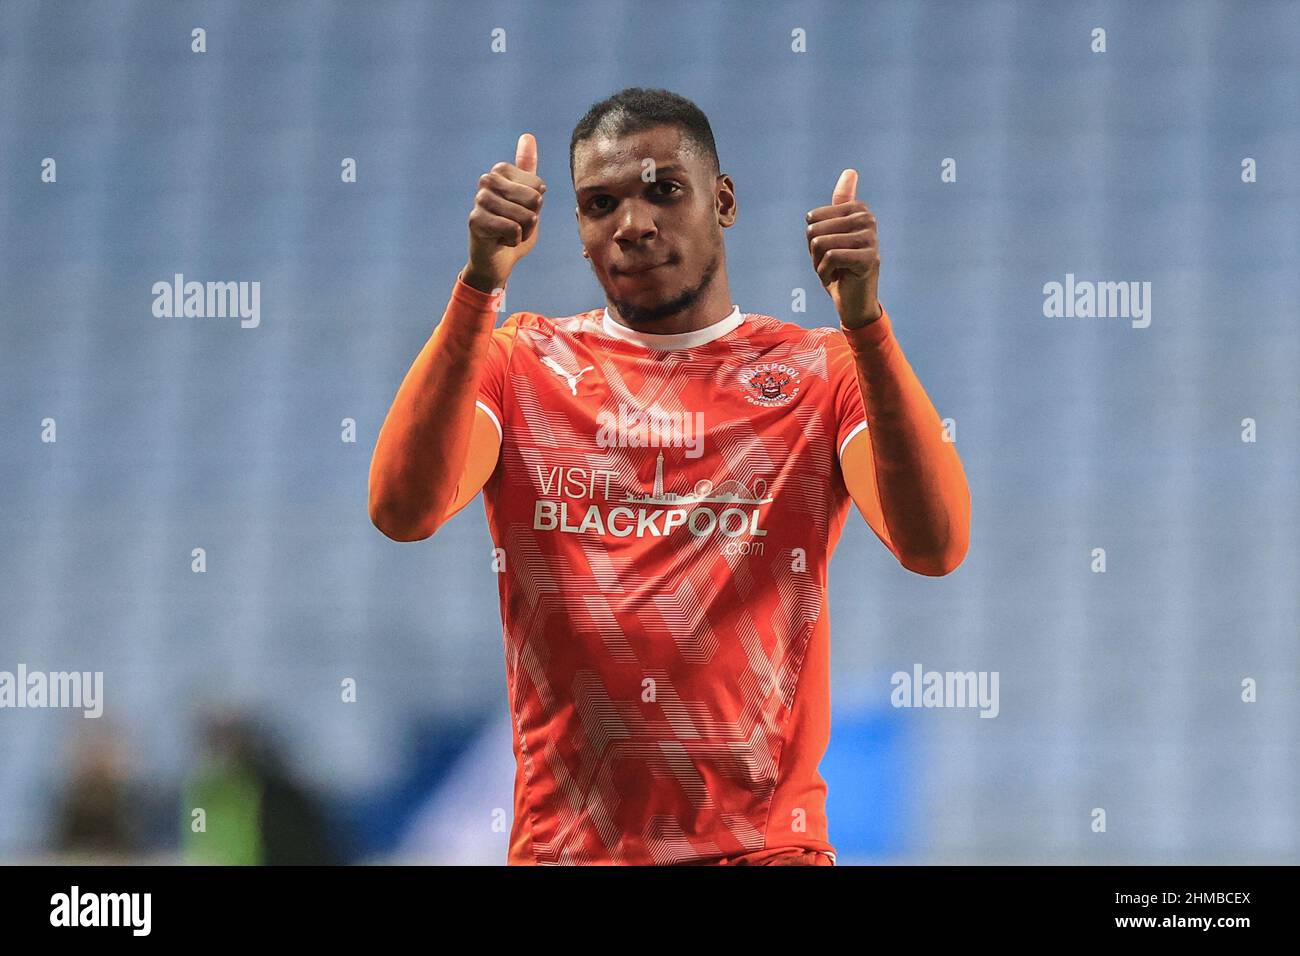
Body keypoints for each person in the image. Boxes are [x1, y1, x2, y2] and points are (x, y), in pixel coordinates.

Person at [369, 88, 970, 865]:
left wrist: (867, 326)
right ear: (579, 231)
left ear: (723, 201)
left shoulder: (820, 372)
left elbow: (936, 544)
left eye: (664, 190)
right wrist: (480, 285)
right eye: (600, 203)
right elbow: (402, 509)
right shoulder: (521, 364)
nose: (634, 223)